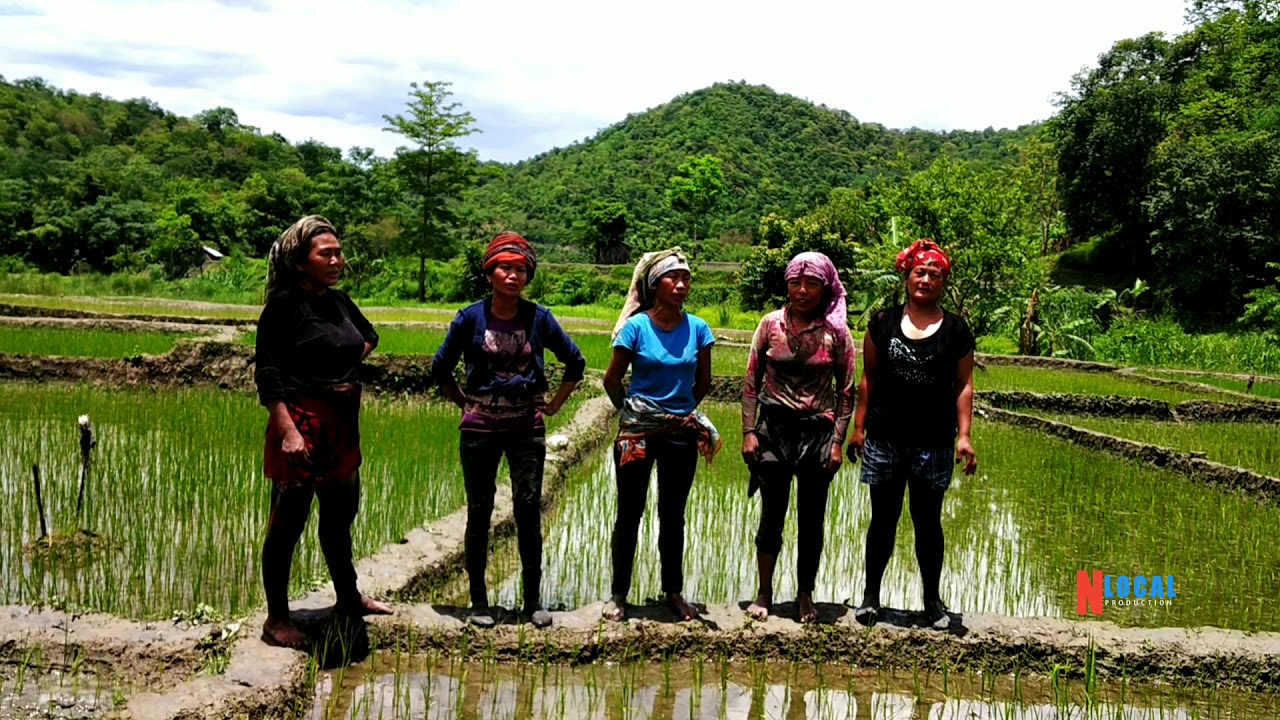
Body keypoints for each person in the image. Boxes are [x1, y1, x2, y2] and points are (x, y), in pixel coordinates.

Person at [431, 232, 585, 629]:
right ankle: (478, 600)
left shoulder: (540, 319)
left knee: (528, 509)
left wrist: (554, 405)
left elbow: (575, 362)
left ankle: (532, 601)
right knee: (479, 511)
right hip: (479, 430)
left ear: (528, 276)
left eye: (520, 269)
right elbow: (440, 368)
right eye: (504, 268)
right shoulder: (470, 318)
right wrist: (463, 402)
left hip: (526, 429)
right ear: (490, 273)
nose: (513, 275)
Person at [254, 215, 392, 648]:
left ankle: (348, 598)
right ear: (300, 261)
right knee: (287, 523)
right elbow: (267, 376)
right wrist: (288, 432)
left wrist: (339, 364)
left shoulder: (339, 301)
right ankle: (277, 619)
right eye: (325, 254)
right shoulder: (283, 306)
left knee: (339, 518)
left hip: (341, 424)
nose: (336, 260)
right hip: (301, 423)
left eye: (338, 252)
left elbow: (369, 335)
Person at [848, 239, 978, 630]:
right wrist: (858, 429)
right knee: (882, 521)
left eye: (933, 274)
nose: (925, 279)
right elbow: (868, 378)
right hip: (885, 437)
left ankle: (932, 603)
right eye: (919, 272)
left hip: (934, 441)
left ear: (943, 282)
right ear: (906, 277)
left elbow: (964, 385)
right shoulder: (882, 323)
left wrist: (965, 436)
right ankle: (871, 597)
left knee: (928, 523)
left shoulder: (956, 330)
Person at [601, 248, 722, 623]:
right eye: (674, 278)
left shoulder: (698, 329)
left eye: (686, 279)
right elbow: (612, 380)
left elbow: (703, 382)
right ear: (655, 285)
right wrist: (635, 414)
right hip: (636, 433)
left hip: (679, 435)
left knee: (673, 515)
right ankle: (619, 595)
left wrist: (677, 414)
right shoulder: (636, 328)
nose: (682, 285)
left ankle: (673, 592)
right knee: (629, 512)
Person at [741, 252, 856, 624]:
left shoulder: (835, 332)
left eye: (811, 284)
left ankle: (805, 592)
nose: (802, 290)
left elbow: (847, 390)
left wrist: (837, 441)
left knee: (812, 519)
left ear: (825, 288)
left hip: (817, 434)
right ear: (786, 285)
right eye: (795, 283)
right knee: (771, 515)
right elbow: (750, 382)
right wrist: (747, 432)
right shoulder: (770, 325)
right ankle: (764, 591)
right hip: (774, 429)